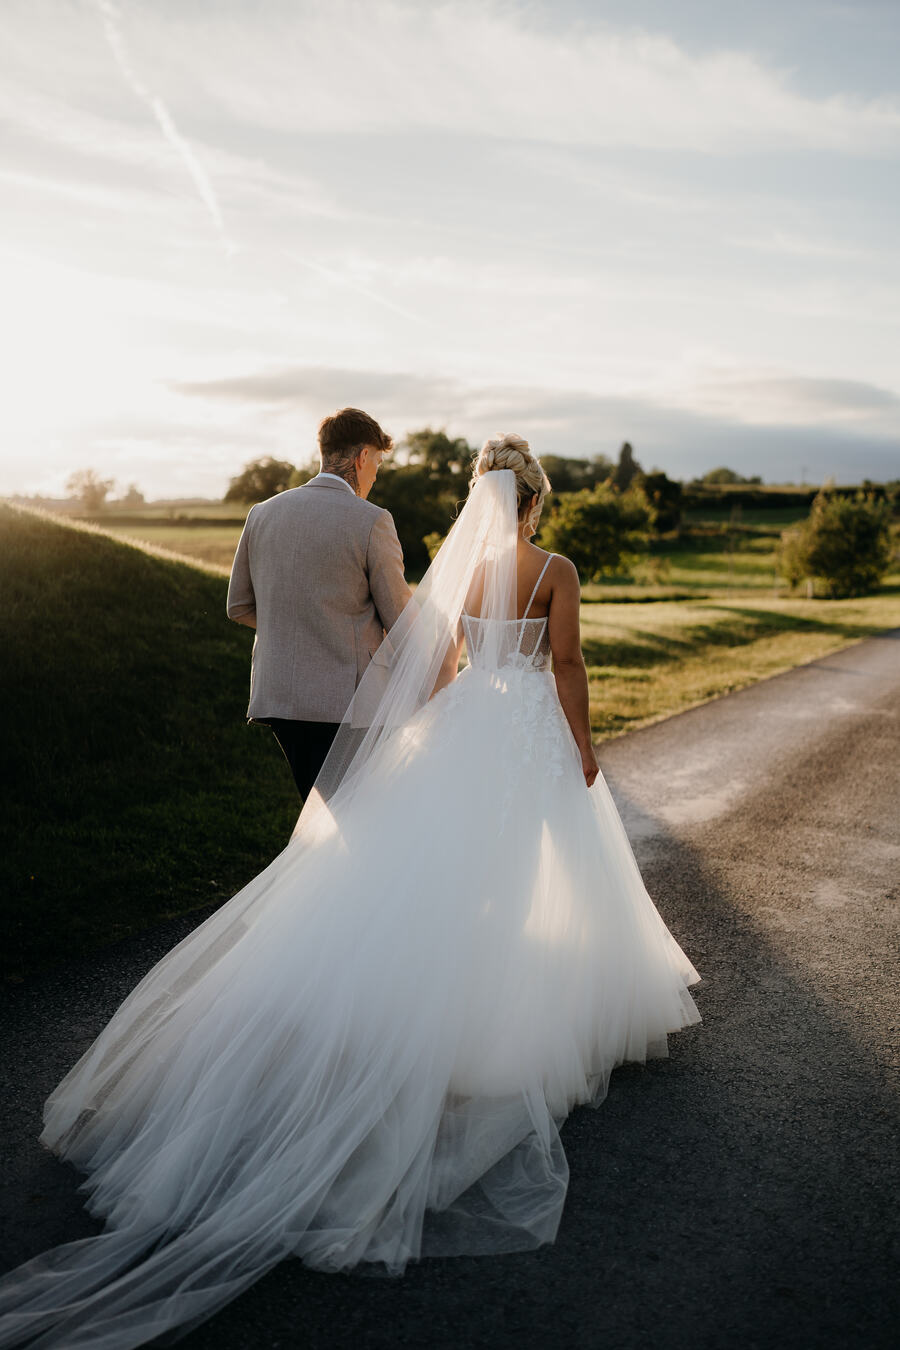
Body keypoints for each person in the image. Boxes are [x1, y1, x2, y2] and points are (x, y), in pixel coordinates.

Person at [0, 435, 700, 1350]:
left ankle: (447, 999)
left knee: (454, 873)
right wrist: (586, 744)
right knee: (525, 870)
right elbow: (565, 666)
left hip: (474, 717)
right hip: (527, 723)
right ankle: (499, 1025)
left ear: (483, 500)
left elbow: (443, 661)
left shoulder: (469, 569)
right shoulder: (554, 568)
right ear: (534, 500)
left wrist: (444, 723)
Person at [226, 406, 411, 799]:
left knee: (321, 815)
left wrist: (299, 625)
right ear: (363, 457)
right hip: (347, 706)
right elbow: (401, 620)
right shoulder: (371, 520)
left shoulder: (262, 513)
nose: (375, 475)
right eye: (377, 462)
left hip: (278, 700)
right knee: (353, 820)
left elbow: (239, 606)